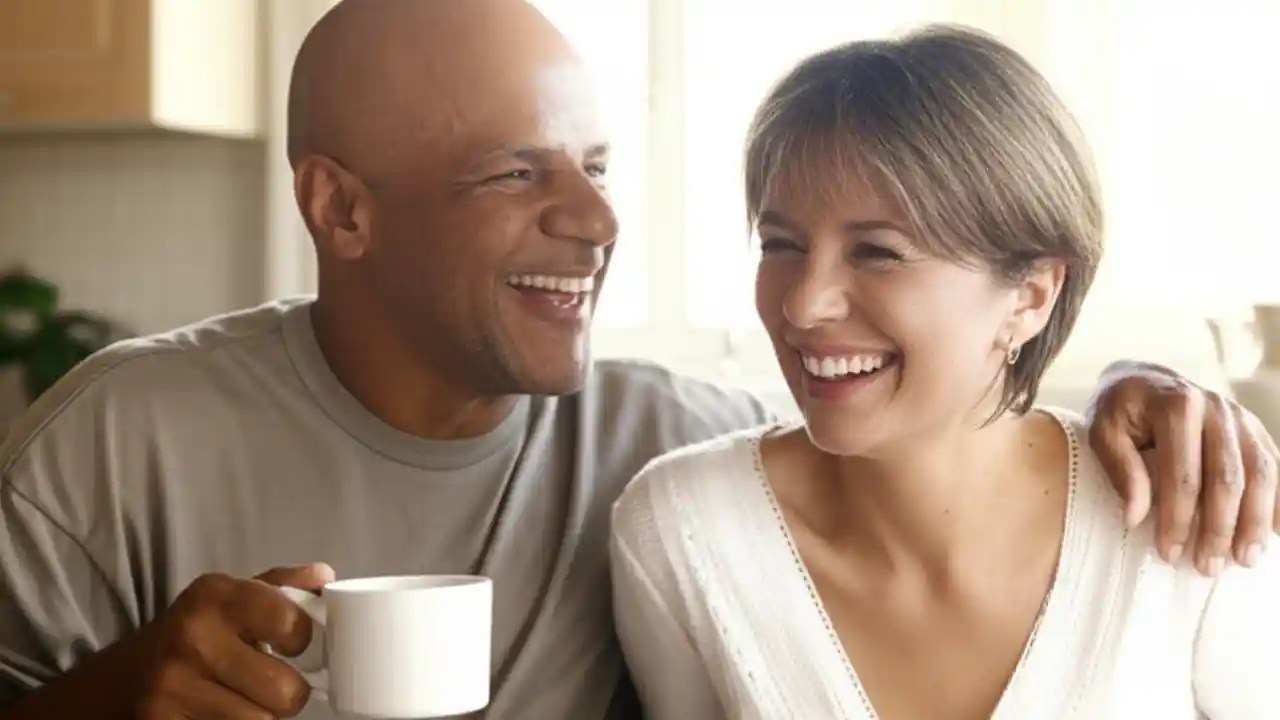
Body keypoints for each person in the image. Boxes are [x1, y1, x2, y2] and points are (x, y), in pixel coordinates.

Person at [0, 2, 1273, 719]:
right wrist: (100, 710)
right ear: (341, 212)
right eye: (518, 172)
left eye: (598, 170)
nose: (601, 224)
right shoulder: (117, 438)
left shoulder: (667, 451)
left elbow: (927, 433)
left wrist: (1135, 388)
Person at [611, 24, 1280, 720]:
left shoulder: (1192, 523)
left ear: (1030, 295)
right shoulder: (684, 530)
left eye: (878, 252)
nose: (803, 304)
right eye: (781, 244)